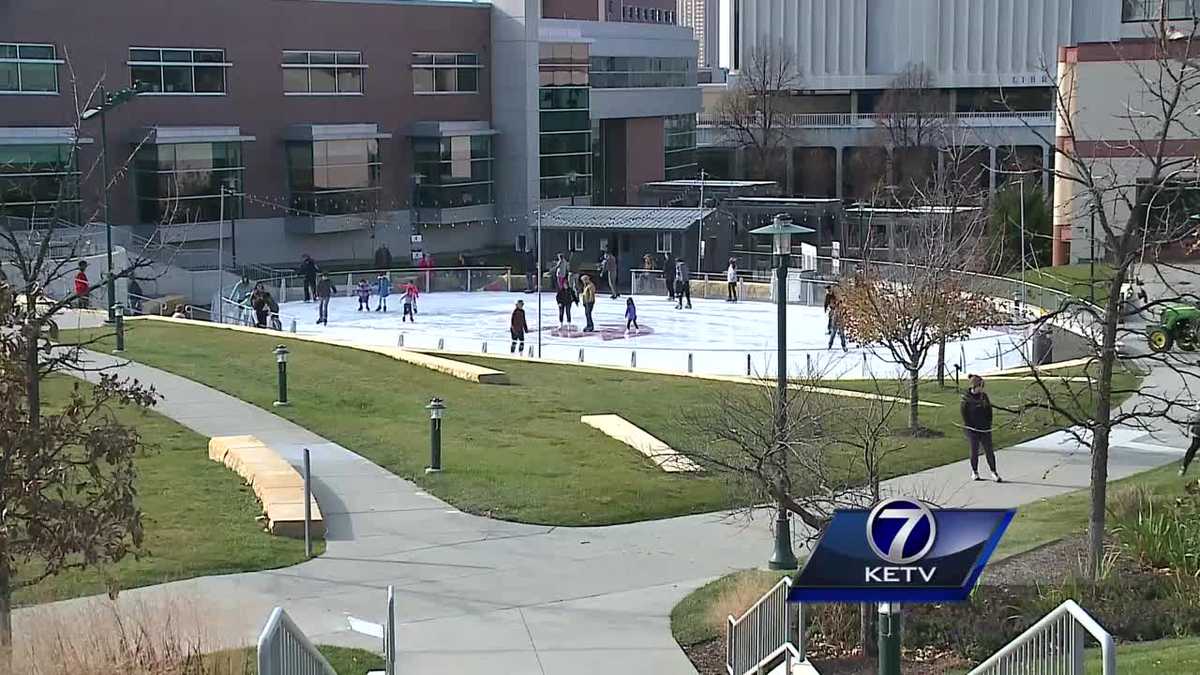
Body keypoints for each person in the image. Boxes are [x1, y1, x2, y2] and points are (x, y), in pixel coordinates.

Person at [961, 375, 1002, 482]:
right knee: (974, 450)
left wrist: (988, 424)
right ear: (975, 386)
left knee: (989, 450)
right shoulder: (966, 399)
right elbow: (965, 415)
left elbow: (989, 411)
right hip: (972, 430)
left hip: (985, 428)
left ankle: (994, 472)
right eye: (980, 386)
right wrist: (971, 427)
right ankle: (975, 472)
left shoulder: (984, 396)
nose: (981, 389)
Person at [1181, 408, 1200, 477]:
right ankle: (1184, 466)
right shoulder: (1196, 415)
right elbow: (1189, 421)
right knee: (1192, 450)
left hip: (1196, 435)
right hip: (1197, 435)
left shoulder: (1195, 415)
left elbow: (1189, 422)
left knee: (1192, 450)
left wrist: (1187, 432)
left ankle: (1184, 467)